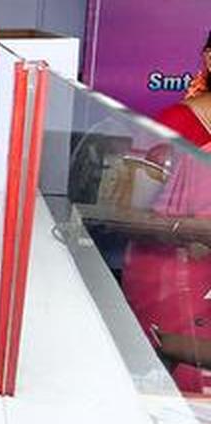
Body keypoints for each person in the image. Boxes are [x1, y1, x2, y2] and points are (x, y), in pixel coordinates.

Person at [122, 29, 211, 393]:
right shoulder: (172, 125)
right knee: (183, 395)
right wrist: (192, 231)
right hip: (173, 277)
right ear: (209, 59)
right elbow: (128, 213)